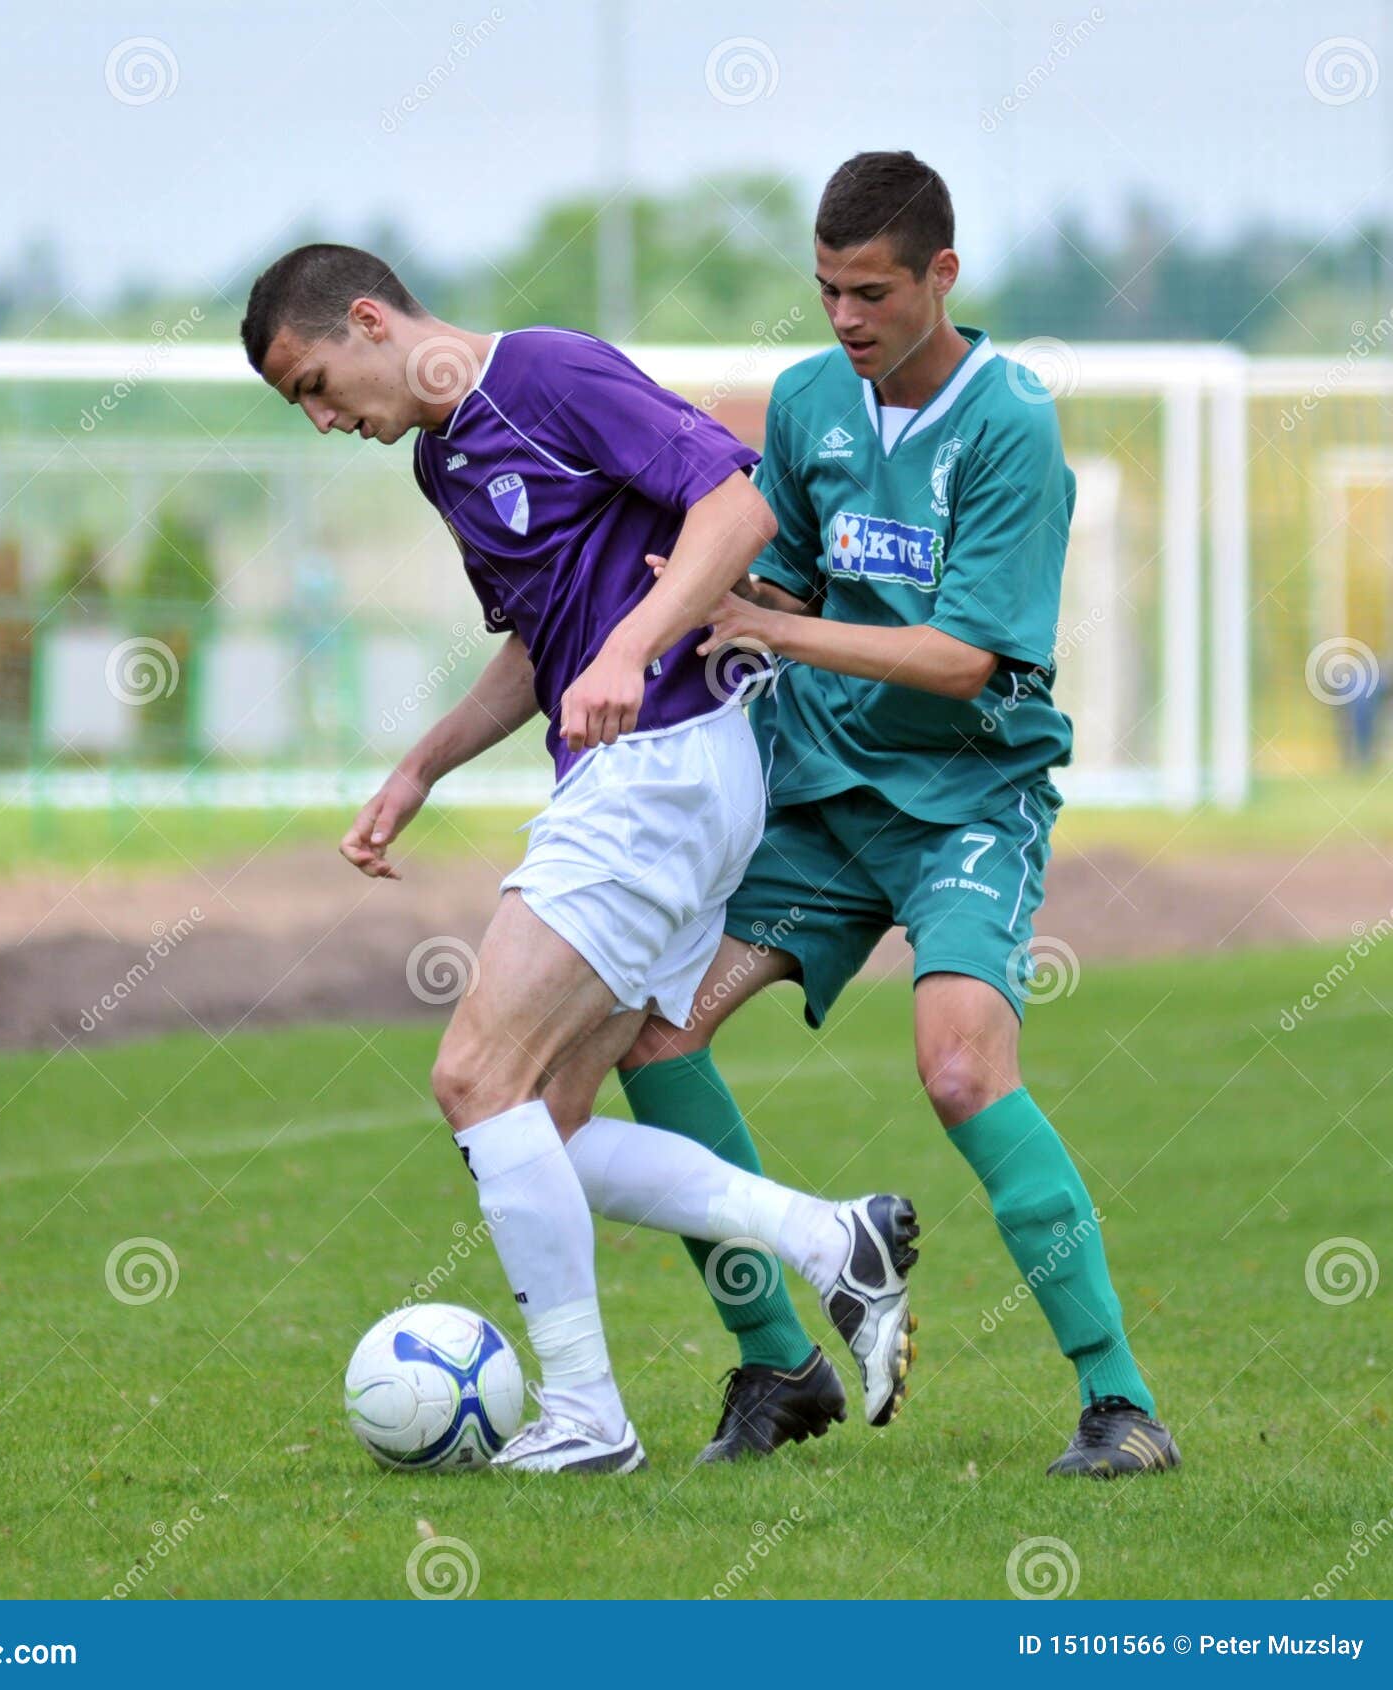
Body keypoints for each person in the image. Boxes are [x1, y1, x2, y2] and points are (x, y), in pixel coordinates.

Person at [242, 245, 920, 1474]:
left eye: (316, 384)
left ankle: (588, 1418)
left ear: (368, 318)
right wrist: (421, 765)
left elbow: (737, 504)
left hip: (661, 766)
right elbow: (541, 642)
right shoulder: (443, 460)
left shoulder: (545, 373)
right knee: (540, 1123)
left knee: (472, 1080)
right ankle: (832, 1242)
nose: (326, 418)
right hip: (657, 782)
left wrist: (634, 648)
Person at [599, 152, 1179, 1477]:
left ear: (941, 278)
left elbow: (962, 656)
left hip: (966, 798)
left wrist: (770, 625)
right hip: (820, 797)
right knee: (651, 1032)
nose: (846, 318)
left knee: (962, 1066)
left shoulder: (1011, 421)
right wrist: (677, 636)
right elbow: (781, 567)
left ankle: (1118, 1403)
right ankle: (779, 1361)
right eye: (827, 291)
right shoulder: (810, 403)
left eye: (871, 291)